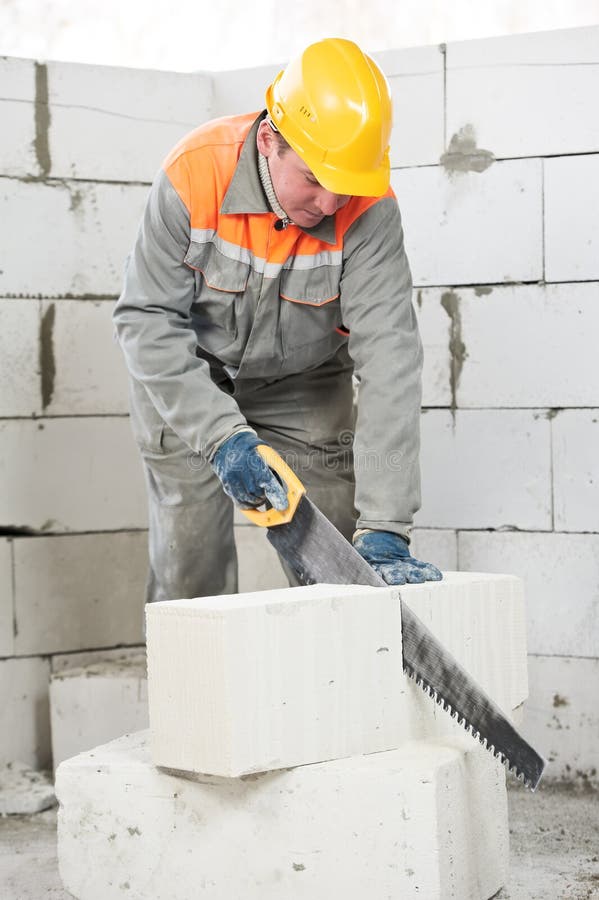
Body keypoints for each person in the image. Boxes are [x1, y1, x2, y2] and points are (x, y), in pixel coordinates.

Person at [113, 37, 442, 603]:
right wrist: (223, 439)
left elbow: (391, 359)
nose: (331, 203)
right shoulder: (194, 176)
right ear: (270, 140)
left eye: (347, 186)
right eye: (314, 179)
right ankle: (197, 689)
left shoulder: (370, 208)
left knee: (340, 563)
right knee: (189, 568)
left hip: (306, 383)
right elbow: (147, 319)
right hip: (192, 377)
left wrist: (387, 527)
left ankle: (336, 687)